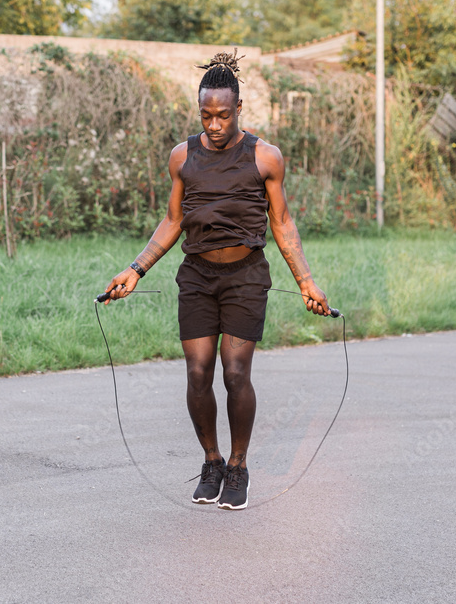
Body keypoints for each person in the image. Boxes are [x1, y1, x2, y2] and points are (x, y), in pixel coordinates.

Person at [103, 50, 330, 510]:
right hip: (198, 276)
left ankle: (239, 466)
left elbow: (283, 224)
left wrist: (306, 280)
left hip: (246, 275)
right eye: (206, 115)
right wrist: (135, 268)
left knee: (235, 372)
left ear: (239, 109)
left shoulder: (265, 158)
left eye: (223, 115)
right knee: (197, 372)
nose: (214, 125)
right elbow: (172, 221)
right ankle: (212, 461)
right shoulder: (182, 157)